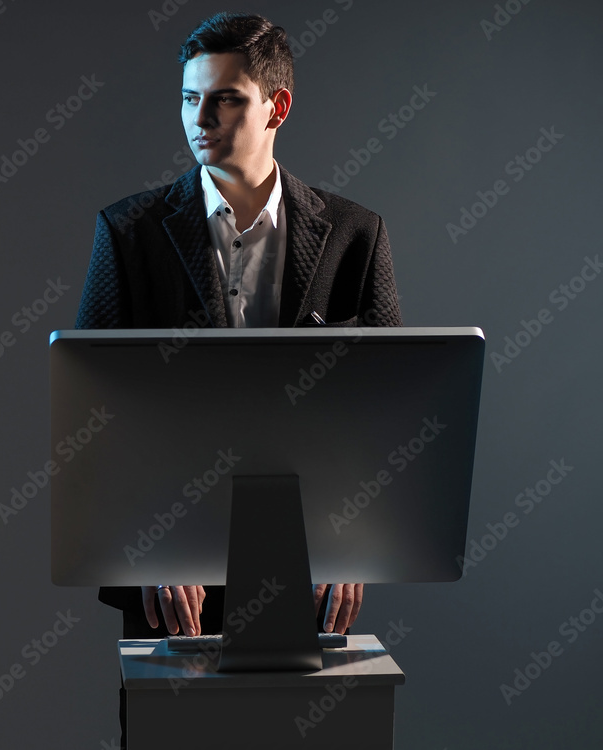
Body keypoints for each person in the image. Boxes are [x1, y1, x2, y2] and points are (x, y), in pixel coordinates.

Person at [73, 11, 401, 746]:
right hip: (169, 590)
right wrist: (148, 551)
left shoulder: (355, 236)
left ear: (277, 107)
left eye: (224, 98)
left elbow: (389, 411)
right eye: (190, 98)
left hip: (308, 576)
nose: (200, 118)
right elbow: (93, 416)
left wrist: (354, 548)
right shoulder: (127, 233)